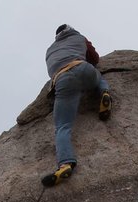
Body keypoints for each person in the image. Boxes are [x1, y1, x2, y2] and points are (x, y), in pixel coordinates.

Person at [42, 24, 112, 187]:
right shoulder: (79, 37)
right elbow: (94, 58)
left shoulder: (49, 50)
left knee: (62, 126)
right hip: (83, 68)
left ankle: (65, 164)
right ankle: (104, 93)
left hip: (63, 78)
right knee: (97, 74)